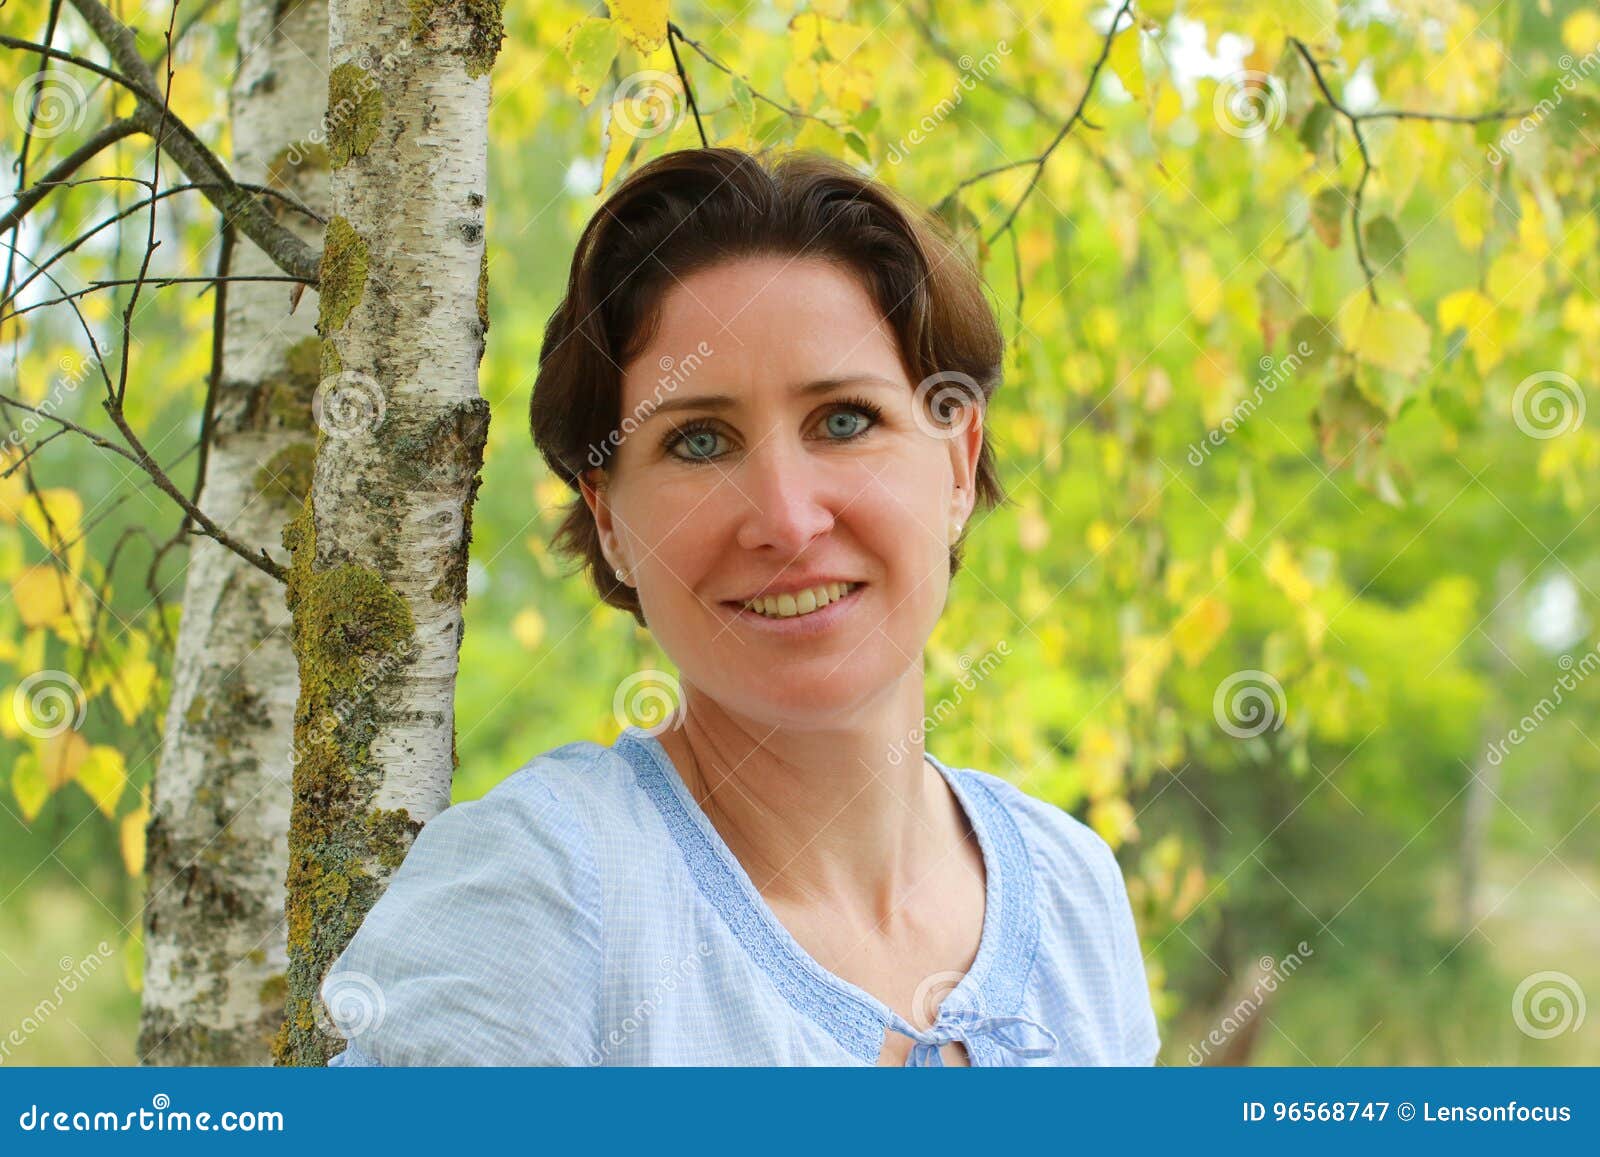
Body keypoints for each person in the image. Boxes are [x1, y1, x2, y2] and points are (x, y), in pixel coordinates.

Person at [321, 146, 1160, 1067]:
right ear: (609, 520)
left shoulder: (1072, 892)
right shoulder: (541, 898)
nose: (787, 520)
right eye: (700, 440)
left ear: (958, 464)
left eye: (844, 420)